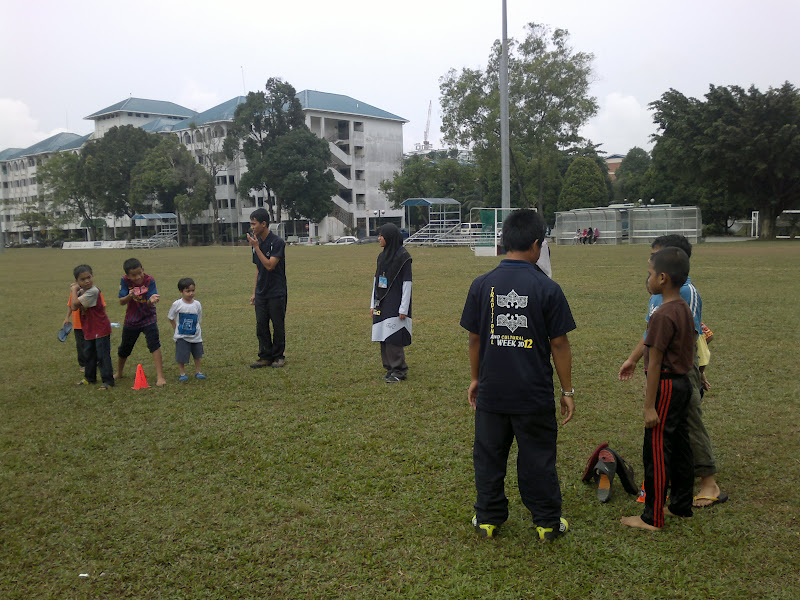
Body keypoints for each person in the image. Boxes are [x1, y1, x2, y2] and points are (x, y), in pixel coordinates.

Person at [461, 209, 576, 541]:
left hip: (493, 392)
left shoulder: (481, 285)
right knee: (538, 459)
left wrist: (476, 379)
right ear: (537, 244)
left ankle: (488, 518)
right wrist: (567, 391)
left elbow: (475, 339)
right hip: (533, 394)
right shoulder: (547, 288)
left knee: (489, 456)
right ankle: (546, 523)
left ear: (503, 241)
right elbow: (559, 342)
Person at [619, 234, 725, 508]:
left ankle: (708, 483)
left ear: (666, 271)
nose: (648, 261)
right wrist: (632, 359)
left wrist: (697, 370)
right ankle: (676, 486)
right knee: (673, 427)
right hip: (660, 368)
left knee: (689, 420)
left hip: (674, 369)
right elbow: (649, 331)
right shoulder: (658, 297)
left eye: (653, 257)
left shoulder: (685, 294)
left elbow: (689, 335)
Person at [621, 247, 695, 530]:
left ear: (663, 278)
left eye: (650, 274)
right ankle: (680, 505)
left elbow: (655, 363)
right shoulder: (683, 309)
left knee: (657, 451)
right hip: (682, 385)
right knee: (679, 446)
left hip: (665, 387)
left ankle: (652, 517)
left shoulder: (663, 315)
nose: (647, 279)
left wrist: (649, 405)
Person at [371, 223, 412, 383]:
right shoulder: (382, 256)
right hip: (381, 301)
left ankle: (399, 370)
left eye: (381, 235)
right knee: (383, 333)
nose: (379, 238)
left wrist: (404, 308)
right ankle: (389, 367)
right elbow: (376, 281)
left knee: (393, 335)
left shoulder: (404, 257)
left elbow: (407, 283)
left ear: (389, 237)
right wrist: (372, 304)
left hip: (396, 302)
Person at [116, 257, 166, 387]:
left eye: (140, 273)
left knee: (154, 344)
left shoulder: (150, 280)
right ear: (127, 275)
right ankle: (119, 372)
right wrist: (130, 296)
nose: (138, 277)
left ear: (143, 269)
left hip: (149, 317)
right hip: (132, 319)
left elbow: (150, 300)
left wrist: (152, 300)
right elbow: (122, 301)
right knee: (125, 347)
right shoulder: (125, 281)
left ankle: (160, 376)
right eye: (133, 275)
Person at [247, 208, 287, 369]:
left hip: (276, 291)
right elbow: (258, 268)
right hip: (261, 292)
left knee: (277, 325)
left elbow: (270, 265)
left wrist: (257, 247)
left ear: (264, 224)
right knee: (261, 325)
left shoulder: (277, 242)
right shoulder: (256, 242)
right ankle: (265, 356)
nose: (252, 227)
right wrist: (254, 292)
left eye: (254, 224)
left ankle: (278, 356)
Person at [70, 264, 114, 390]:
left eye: (89, 277)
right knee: (89, 354)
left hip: (100, 328)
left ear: (93, 276)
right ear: (77, 281)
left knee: (102, 355)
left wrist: (73, 290)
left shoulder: (93, 291)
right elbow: (73, 306)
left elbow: (74, 306)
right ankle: (90, 378)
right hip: (89, 328)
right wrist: (76, 291)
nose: (87, 281)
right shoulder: (81, 292)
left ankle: (108, 381)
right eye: (82, 279)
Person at [167, 277, 206, 382]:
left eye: (193, 290)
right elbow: (171, 317)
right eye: (187, 291)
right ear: (181, 292)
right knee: (181, 356)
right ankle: (182, 373)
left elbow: (199, 319)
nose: (191, 293)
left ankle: (198, 371)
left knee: (197, 355)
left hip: (196, 336)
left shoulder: (197, 304)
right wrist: (176, 328)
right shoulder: (177, 304)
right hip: (182, 336)